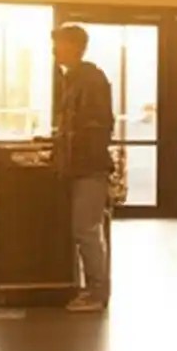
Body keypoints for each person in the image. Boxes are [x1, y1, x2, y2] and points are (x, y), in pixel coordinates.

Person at [52, 24, 114, 312]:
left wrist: (75, 147)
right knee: (83, 229)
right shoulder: (73, 80)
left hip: (89, 167)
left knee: (86, 229)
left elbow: (98, 125)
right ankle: (91, 288)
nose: (54, 50)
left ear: (75, 46)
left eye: (59, 43)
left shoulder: (90, 80)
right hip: (77, 167)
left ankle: (96, 292)